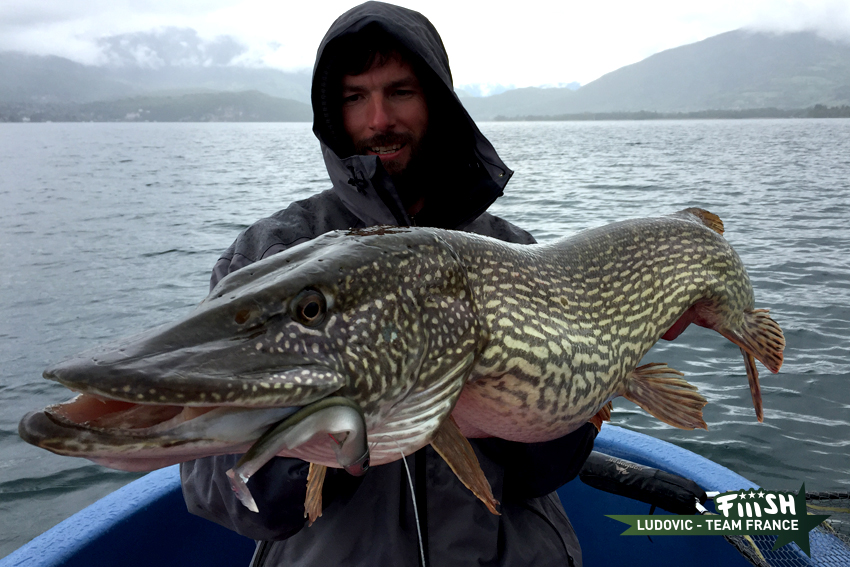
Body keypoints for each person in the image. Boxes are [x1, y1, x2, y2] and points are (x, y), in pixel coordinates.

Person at [180, 2, 598, 566]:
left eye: (400, 91)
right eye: (355, 97)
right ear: (334, 114)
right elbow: (216, 491)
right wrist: (320, 443)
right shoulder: (268, 256)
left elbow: (546, 472)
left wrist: (512, 402)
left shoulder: (513, 252)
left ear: (438, 102)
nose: (378, 120)